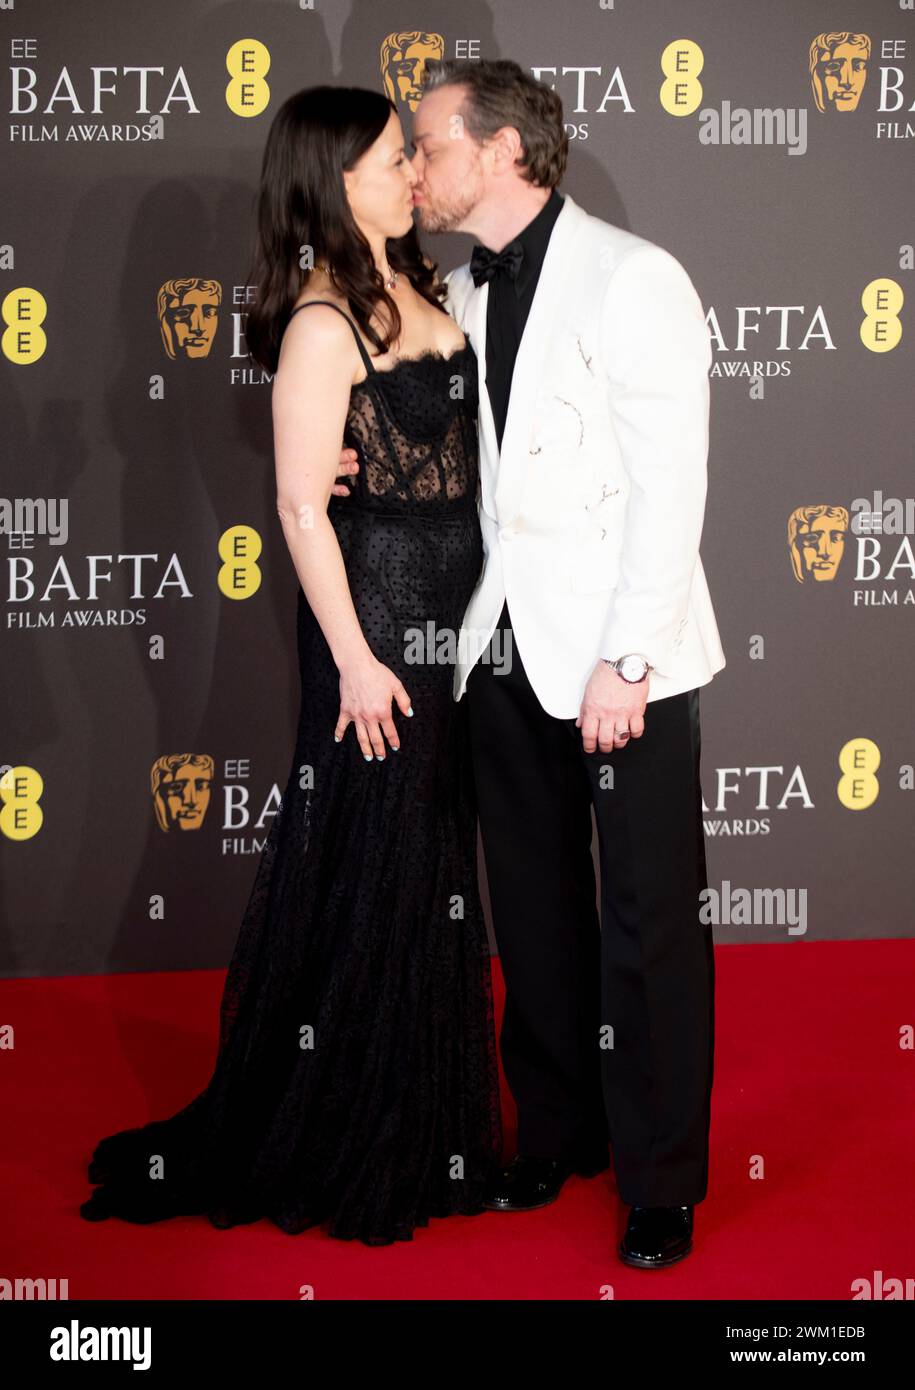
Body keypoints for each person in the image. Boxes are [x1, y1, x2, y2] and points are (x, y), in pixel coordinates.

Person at [79, 86, 502, 1246]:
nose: (410, 171)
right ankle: (347, 1121)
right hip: (372, 635)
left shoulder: (419, 283)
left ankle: (421, 1115)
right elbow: (297, 508)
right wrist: (359, 665)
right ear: (332, 179)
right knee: (371, 856)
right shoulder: (323, 321)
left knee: (423, 863)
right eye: (385, 160)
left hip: (446, 629)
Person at [333, 58, 726, 1268]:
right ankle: (560, 1130)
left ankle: (660, 1181)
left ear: (500, 149)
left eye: (431, 144)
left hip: (624, 652)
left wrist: (629, 658)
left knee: (647, 915)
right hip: (503, 645)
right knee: (539, 911)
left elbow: (671, 487)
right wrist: (337, 471)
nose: (419, 169)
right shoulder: (462, 290)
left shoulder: (635, 275)